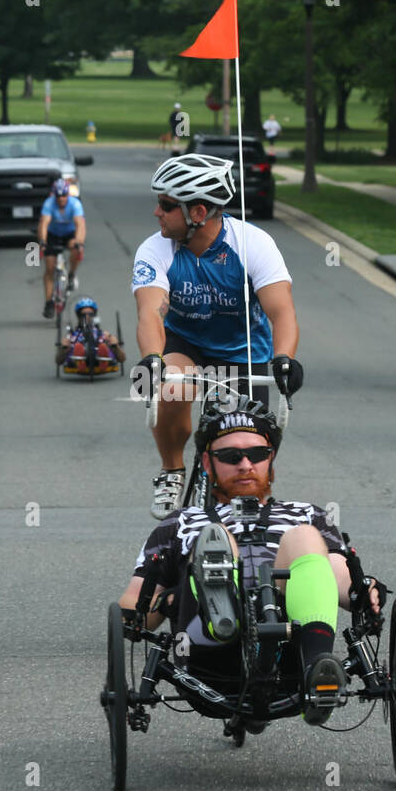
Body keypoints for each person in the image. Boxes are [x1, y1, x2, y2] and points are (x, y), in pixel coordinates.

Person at [116, 396, 382, 726]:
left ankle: (317, 670)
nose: (245, 464)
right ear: (208, 464)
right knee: (215, 538)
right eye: (230, 456)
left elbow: (338, 573)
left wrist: (361, 591)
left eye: (257, 454)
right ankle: (224, 614)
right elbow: (133, 608)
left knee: (303, 538)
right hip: (209, 658)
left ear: (271, 461)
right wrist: (168, 600)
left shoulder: (306, 514)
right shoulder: (180, 522)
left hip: (290, 649)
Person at [131, 153, 304, 519]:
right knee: (172, 385)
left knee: (246, 448)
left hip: (243, 350)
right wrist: (152, 358)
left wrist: (285, 358)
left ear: (198, 212)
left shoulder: (253, 244)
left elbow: (281, 311)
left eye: (165, 205)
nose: (156, 213)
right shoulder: (155, 248)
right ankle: (172, 471)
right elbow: (150, 311)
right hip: (185, 343)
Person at [37, 179, 86, 320]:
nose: (61, 199)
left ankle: (71, 274)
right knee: (50, 269)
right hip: (53, 234)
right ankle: (48, 303)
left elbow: (80, 225)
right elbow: (44, 224)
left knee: (76, 249)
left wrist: (79, 243)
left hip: (70, 234)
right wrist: (42, 242)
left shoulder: (75, 204)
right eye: (58, 197)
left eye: (64, 196)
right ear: (54, 196)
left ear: (68, 195)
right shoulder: (49, 203)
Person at [56, 296, 127, 374]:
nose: (87, 317)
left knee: (105, 345)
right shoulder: (72, 335)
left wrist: (115, 345)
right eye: (84, 314)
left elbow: (122, 359)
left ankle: (103, 361)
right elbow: (58, 361)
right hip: (76, 358)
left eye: (90, 314)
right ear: (78, 315)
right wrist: (64, 348)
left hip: (98, 354)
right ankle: (79, 361)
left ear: (94, 315)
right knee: (75, 346)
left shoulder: (102, 333)